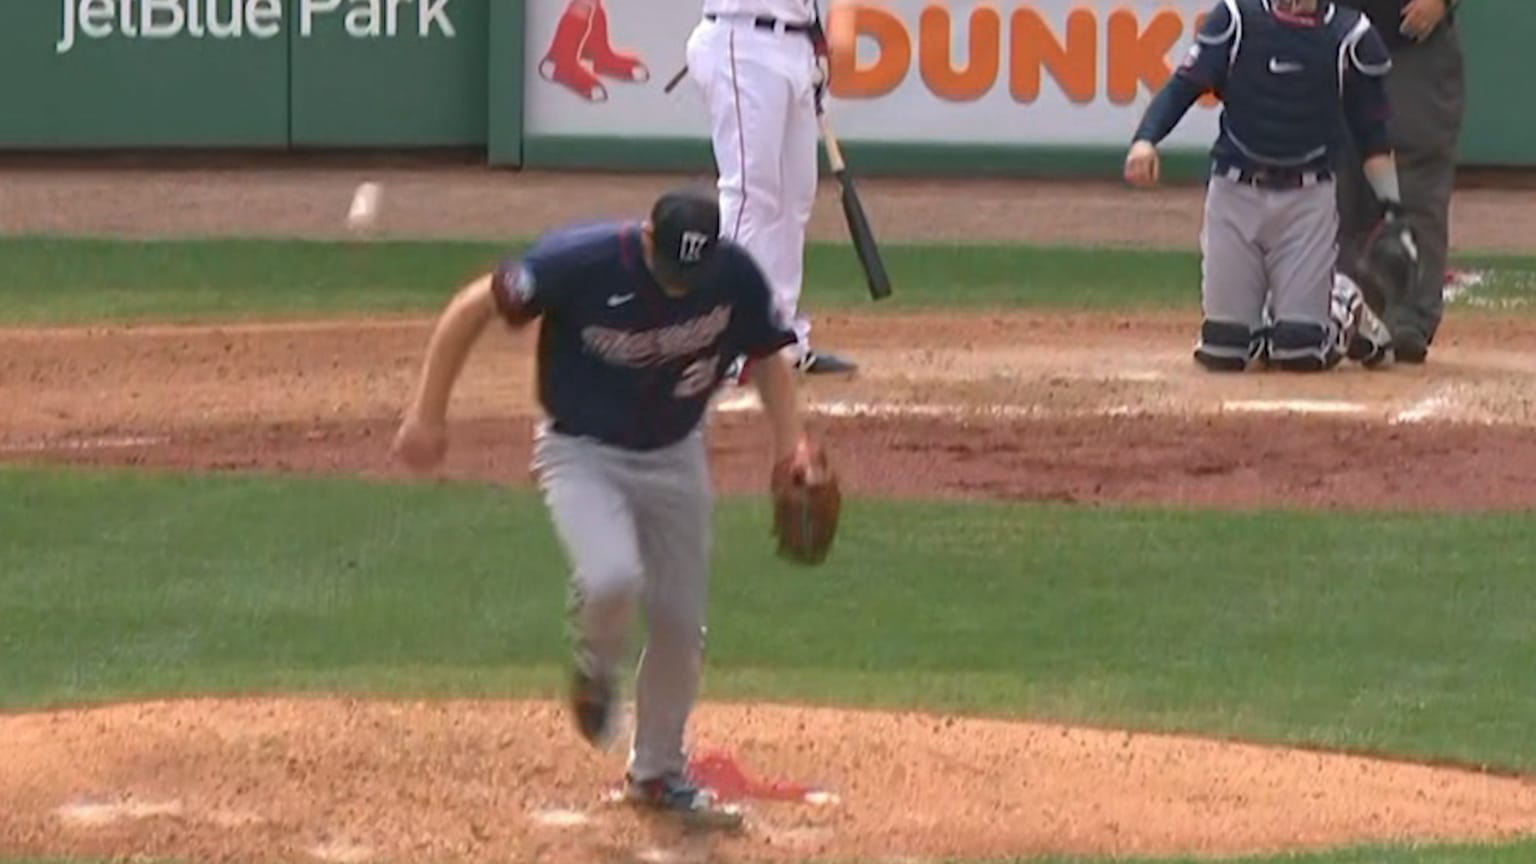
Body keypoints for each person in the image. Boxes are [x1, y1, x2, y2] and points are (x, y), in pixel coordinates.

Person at [390, 186, 828, 828]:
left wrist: (791, 445)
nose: (682, 287)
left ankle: (657, 773)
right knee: (612, 578)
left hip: (676, 453)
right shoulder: (578, 262)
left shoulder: (731, 274)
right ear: (647, 240)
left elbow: (766, 354)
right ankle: (596, 665)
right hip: (582, 452)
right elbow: (471, 307)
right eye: (672, 272)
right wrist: (428, 414)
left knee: (682, 625)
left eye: (692, 276)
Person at [1123, 0, 1412, 372]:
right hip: (1235, 191)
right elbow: (1185, 85)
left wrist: (1392, 206)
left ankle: (1344, 304)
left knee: (1299, 354)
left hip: (1308, 199)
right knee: (1224, 351)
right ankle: (1260, 318)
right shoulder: (1237, 19)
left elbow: (1371, 133)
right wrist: (1146, 139)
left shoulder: (1349, 35)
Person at [684, 0, 858, 377]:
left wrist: (824, 44)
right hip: (743, 39)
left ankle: (780, 338)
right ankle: (729, 342)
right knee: (750, 193)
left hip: (797, 44)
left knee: (794, 198)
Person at [1335, 0, 1465, 364]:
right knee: (1333, 176)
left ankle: (1410, 316)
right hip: (1336, 36)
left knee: (1417, 182)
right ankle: (1339, 308)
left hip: (1414, 47)